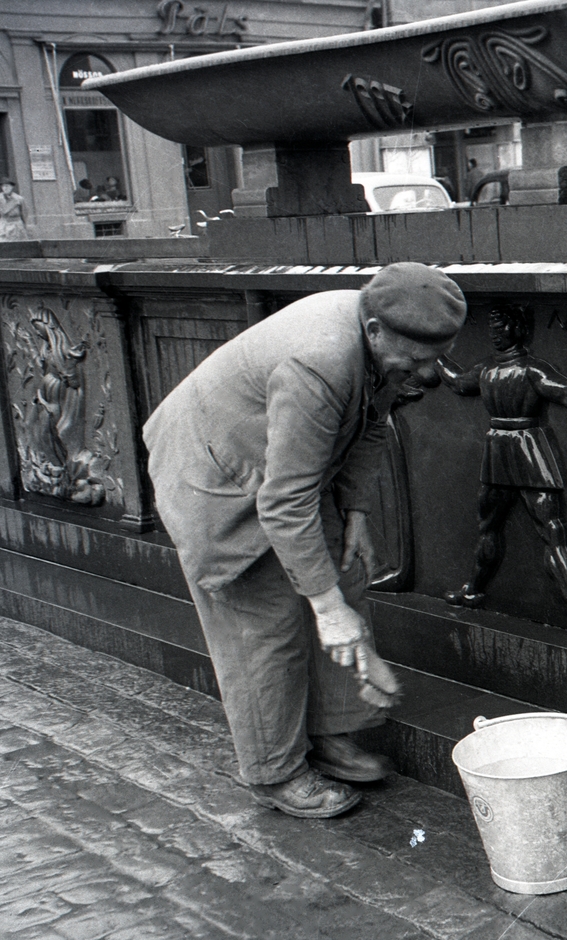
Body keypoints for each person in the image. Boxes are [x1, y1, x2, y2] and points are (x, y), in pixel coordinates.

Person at [144, 263, 467, 818]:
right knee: (264, 620)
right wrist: (325, 607)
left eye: (435, 358)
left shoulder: (384, 333)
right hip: (218, 477)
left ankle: (329, 735)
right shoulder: (317, 361)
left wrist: (357, 512)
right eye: (416, 360)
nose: (427, 373)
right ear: (373, 332)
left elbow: (371, 424)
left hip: (289, 470)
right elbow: (283, 502)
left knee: (346, 573)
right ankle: (276, 771)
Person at [436, 304, 567, 641]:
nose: (495, 331)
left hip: (529, 452)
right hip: (499, 451)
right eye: (492, 325)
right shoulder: (485, 368)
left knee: (553, 532)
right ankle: (472, 591)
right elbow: (457, 382)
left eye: (502, 324)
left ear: (519, 328)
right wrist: (434, 354)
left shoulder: (532, 369)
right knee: (488, 527)